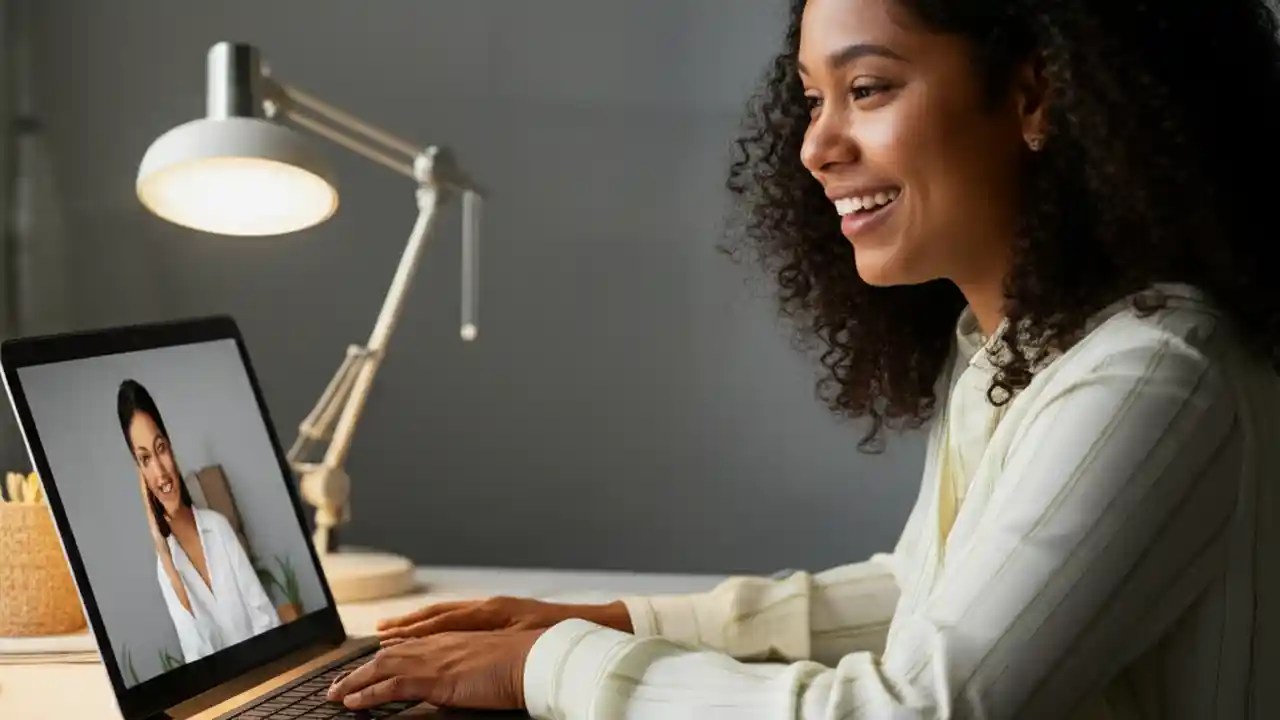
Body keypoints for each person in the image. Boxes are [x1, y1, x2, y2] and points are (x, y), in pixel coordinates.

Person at [328, 0, 1280, 717]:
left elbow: (917, 709)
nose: (816, 146)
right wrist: (622, 622)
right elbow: (927, 592)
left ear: (1034, 94)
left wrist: (556, 666)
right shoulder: (1012, 347)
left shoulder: (1152, 374)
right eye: (814, 98)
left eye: (867, 89)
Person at [117, 379, 281, 664]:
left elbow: (266, 620)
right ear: (139, 472)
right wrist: (163, 551)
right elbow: (199, 657)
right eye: (145, 459)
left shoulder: (217, 528)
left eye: (161, 449)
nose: (160, 471)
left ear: (172, 449)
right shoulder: (165, 568)